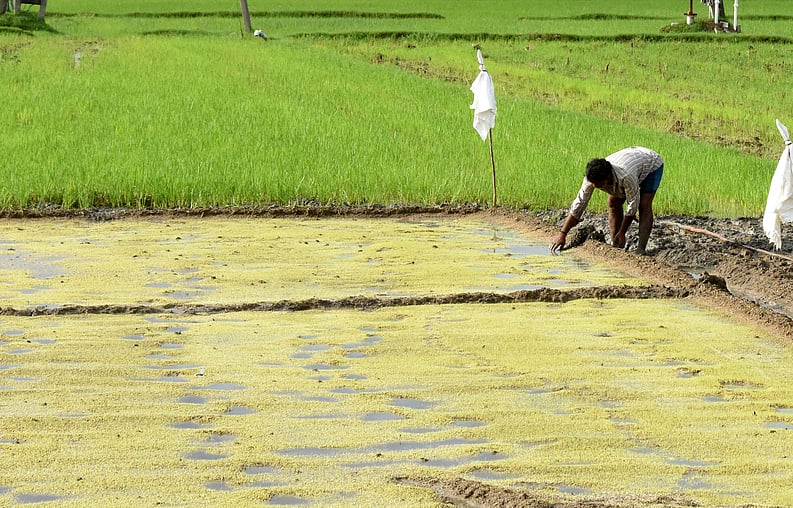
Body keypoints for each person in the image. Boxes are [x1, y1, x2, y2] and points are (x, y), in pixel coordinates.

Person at [549, 146, 664, 255]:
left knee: (644, 205)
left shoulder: (626, 177)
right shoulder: (591, 178)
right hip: (633, 158)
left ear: (607, 178)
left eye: (598, 184)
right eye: (592, 183)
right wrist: (562, 233)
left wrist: (623, 231)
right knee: (613, 202)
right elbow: (579, 203)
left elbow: (632, 205)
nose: (594, 186)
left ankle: (641, 248)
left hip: (651, 163)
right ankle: (616, 242)